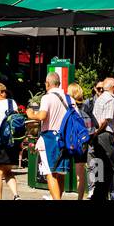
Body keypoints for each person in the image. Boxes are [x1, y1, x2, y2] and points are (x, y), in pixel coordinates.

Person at [31, 72, 72, 200]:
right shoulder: (69, 98)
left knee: (50, 172)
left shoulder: (47, 97)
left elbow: (42, 116)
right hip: (65, 137)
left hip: (50, 138)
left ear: (47, 84)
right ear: (59, 84)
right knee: (61, 172)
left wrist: (31, 114)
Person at [90, 78, 114, 200]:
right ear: (113, 86)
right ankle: (99, 196)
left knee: (101, 169)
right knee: (108, 169)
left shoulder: (100, 98)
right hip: (105, 135)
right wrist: (97, 132)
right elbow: (105, 120)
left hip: (99, 136)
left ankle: (98, 196)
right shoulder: (110, 98)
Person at [66, 83, 92, 200]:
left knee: (75, 174)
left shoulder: (70, 109)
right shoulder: (87, 107)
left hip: (73, 143)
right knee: (82, 174)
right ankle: (82, 197)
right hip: (87, 142)